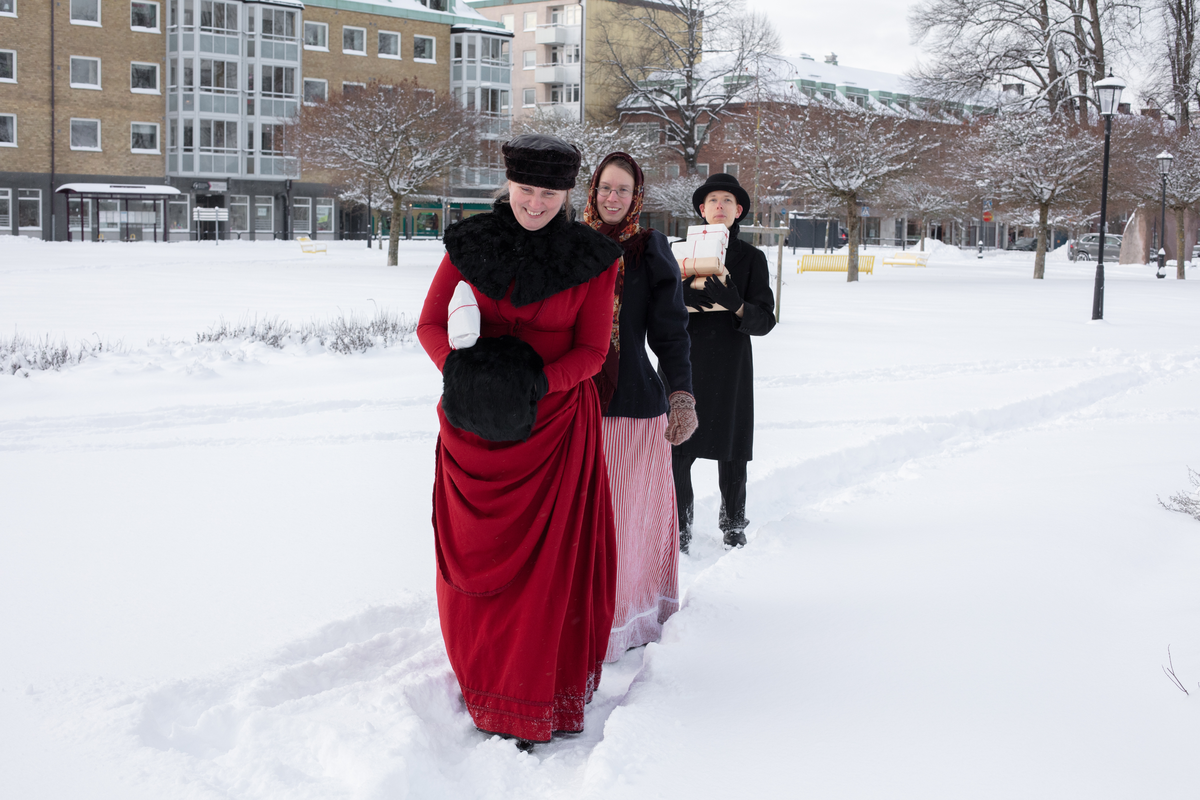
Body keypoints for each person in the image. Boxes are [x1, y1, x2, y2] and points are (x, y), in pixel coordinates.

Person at [416, 134, 624, 748]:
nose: (536, 203)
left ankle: (532, 696)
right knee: (472, 565)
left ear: (567, 194)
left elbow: (592, 351)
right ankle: (482, 678)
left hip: (553, 431)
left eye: (550, 193)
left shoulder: (594, 257)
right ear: (509, 184)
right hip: (472, 431)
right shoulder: (470, 241)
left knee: (544, 577)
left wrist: (535, 384)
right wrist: (466, 377)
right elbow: (430, 323)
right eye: (527, 189)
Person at [582, 152, 697, 663]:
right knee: (581, 523)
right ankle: (577, 620)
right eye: (606, 187)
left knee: (625, 523)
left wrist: (682, 396)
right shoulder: (569, 245)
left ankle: (622, 622)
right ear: (592, 190)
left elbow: (671, 333)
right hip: (573, 402)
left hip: (631, 407)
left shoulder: (650, 249)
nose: (612, 198)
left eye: (623, 190)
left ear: (637, 196)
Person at [669, 172, 776, 551]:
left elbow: (765, 320)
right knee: (678, 449)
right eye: (713, 200)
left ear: (739, 211)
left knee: (732, 450)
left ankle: (733, 523)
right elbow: (657, 309)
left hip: (731, 364)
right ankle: (678, 526)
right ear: (701, 209)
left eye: (727, 201)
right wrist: (678, 298)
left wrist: (737, 305)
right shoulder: (677, 252)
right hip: (684, 361)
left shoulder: (752, 258)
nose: (719, 206)